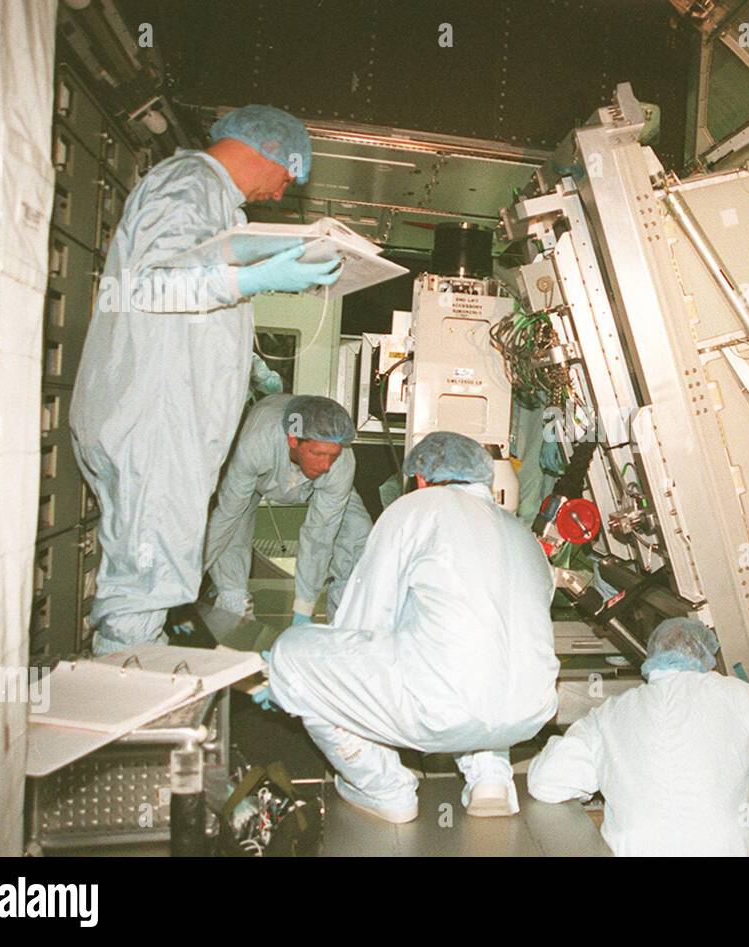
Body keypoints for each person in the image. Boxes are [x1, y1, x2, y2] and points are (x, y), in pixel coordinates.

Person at [71, 105, 341, 655]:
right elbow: (149, 285)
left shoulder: (215, 206)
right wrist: (256, 276)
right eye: (289, 174)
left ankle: (131, 686)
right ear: (268, 150)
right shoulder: (189, 182)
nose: (284, 189)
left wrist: (252, 294)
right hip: (155, 421)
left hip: (164, 424)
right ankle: (127, 706)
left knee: (150, 575)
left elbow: (198, 313)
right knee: (143, 586)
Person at [267, 431, 560, 821]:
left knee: (293, 656)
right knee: (476, 655)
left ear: (420, 478)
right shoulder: (519, 530)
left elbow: (365, 617)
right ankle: (491, 777)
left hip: (440, 709)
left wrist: (299, 670)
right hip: (530, 712)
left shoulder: (414, 509)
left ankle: (386, 789)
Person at [526, 617, 749, 856]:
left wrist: (597, 782)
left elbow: (545, 782)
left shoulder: (609, 715)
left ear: (652, 658)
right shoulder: (737, 697)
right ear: (706, 654)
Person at [203, 394, 371, 626]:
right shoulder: (255, 444)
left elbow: (318, 535)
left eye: (332, 455)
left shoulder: (339, 464)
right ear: (293, 440)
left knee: (358, 534)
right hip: (256, 476)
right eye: (318, 454)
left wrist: (303, 610)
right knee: (233, 526)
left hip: (317, 486)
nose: (325, 465)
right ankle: (235, 610)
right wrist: (188, 581)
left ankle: (347, 625)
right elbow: (225, 518)